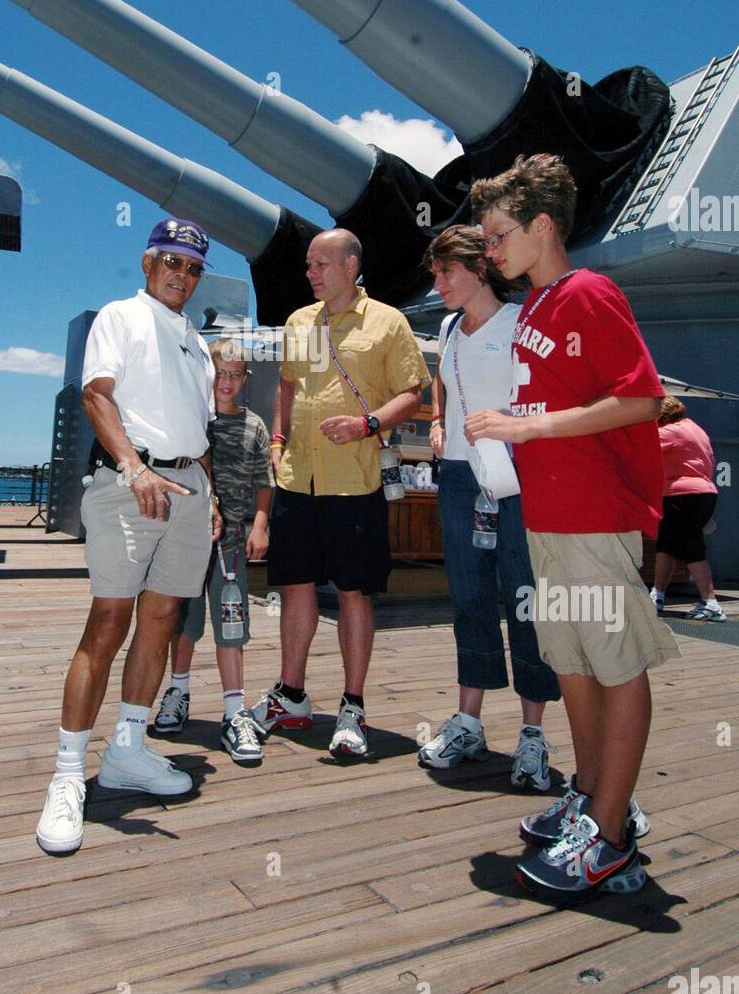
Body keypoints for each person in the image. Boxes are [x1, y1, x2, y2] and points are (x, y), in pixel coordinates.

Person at [466, 154, 678, 899]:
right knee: (573, 662)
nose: (489, 252)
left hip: (596, 516)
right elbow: (554, 407)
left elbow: (642, 399)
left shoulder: (589, 293)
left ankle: (613, 835)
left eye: (498, 237)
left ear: (543, 226)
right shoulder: (533, 310)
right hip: (549, 518)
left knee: (616, 664)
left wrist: (531, 428)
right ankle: (592, 799)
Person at [35, 219, 223, 856]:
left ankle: (127, 750)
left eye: (194, 267)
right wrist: (134, 466)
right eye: (172, 261)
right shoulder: (120, 315)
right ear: (148, 263)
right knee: (109, 621)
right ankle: (67, 775)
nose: (182, 274)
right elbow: (96, 395)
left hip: (188, 488)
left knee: (163, 619)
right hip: (128, 480)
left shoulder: (198, 344)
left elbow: (197, 431)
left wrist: (210, 492)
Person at [250, 228, 429, 757]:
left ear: (351, 265)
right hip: (297, 477)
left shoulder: (389, 322)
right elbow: (287, 383)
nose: (309, 272)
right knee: (295, 585)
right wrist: (278, 438)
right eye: (308, 264)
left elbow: (412, 393)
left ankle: (352, 705)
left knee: (354, 591)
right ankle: (292, 695)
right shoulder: (299, 322)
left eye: (319, 263)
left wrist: (368, 424)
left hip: (354, 479)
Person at [418, 226, 561, 786]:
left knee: (524, 597)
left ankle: (532, 734)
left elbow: (548, 394)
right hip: (459, 476)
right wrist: (435, 419)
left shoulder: (524, 320)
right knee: (469, 595)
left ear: (480, 269)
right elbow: (442, 379)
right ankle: (469, 722)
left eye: (446, 271)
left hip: (514, 475)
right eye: (435, 272)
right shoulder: (449, 326)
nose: (438, 283)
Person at [153, 339, 275, 764]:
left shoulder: (255, 426)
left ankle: (234, 711)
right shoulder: (194, 422)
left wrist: (260, 526)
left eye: (234, 374)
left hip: (234, 542)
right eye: (219, 374)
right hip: (190, 535)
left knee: (232, 624)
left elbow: (265, 483)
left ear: (244, 379)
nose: (226, 382)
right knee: (182, 622)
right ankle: (178, 691)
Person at [651, 396, 724, 621]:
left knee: (692, 547)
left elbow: (640, 448)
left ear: (661, 416)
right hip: (705, 492)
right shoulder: (696, 429)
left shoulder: (670, 431)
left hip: (681, 494)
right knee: (668, 544)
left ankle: (711, 604)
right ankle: (658, 596)